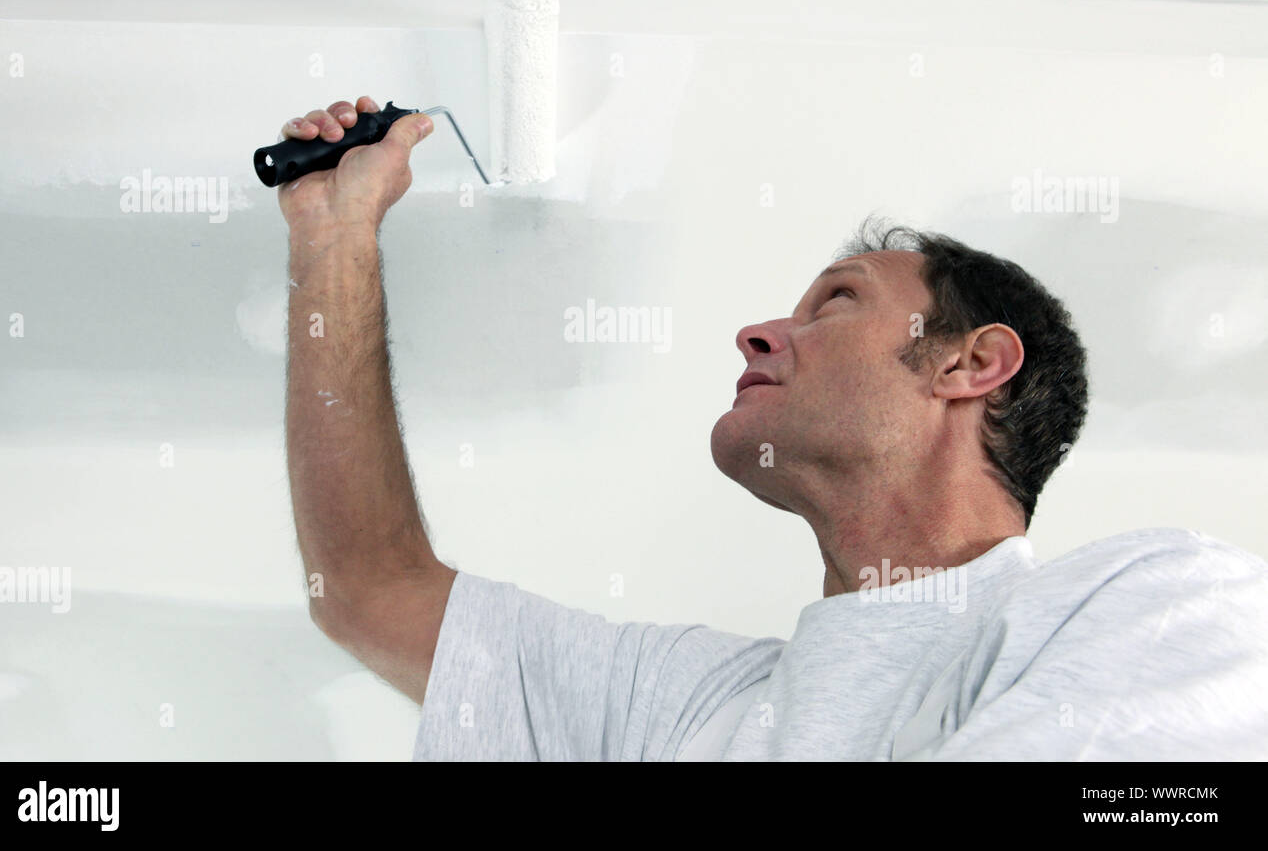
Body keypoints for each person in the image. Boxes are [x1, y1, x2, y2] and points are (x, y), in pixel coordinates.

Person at [280, 96, 1268, 761]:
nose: (757, 333)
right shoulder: (677, 701)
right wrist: (334, 237)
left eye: (833, 303)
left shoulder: (1158, 598)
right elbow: (371, 586)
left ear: (970, 362)